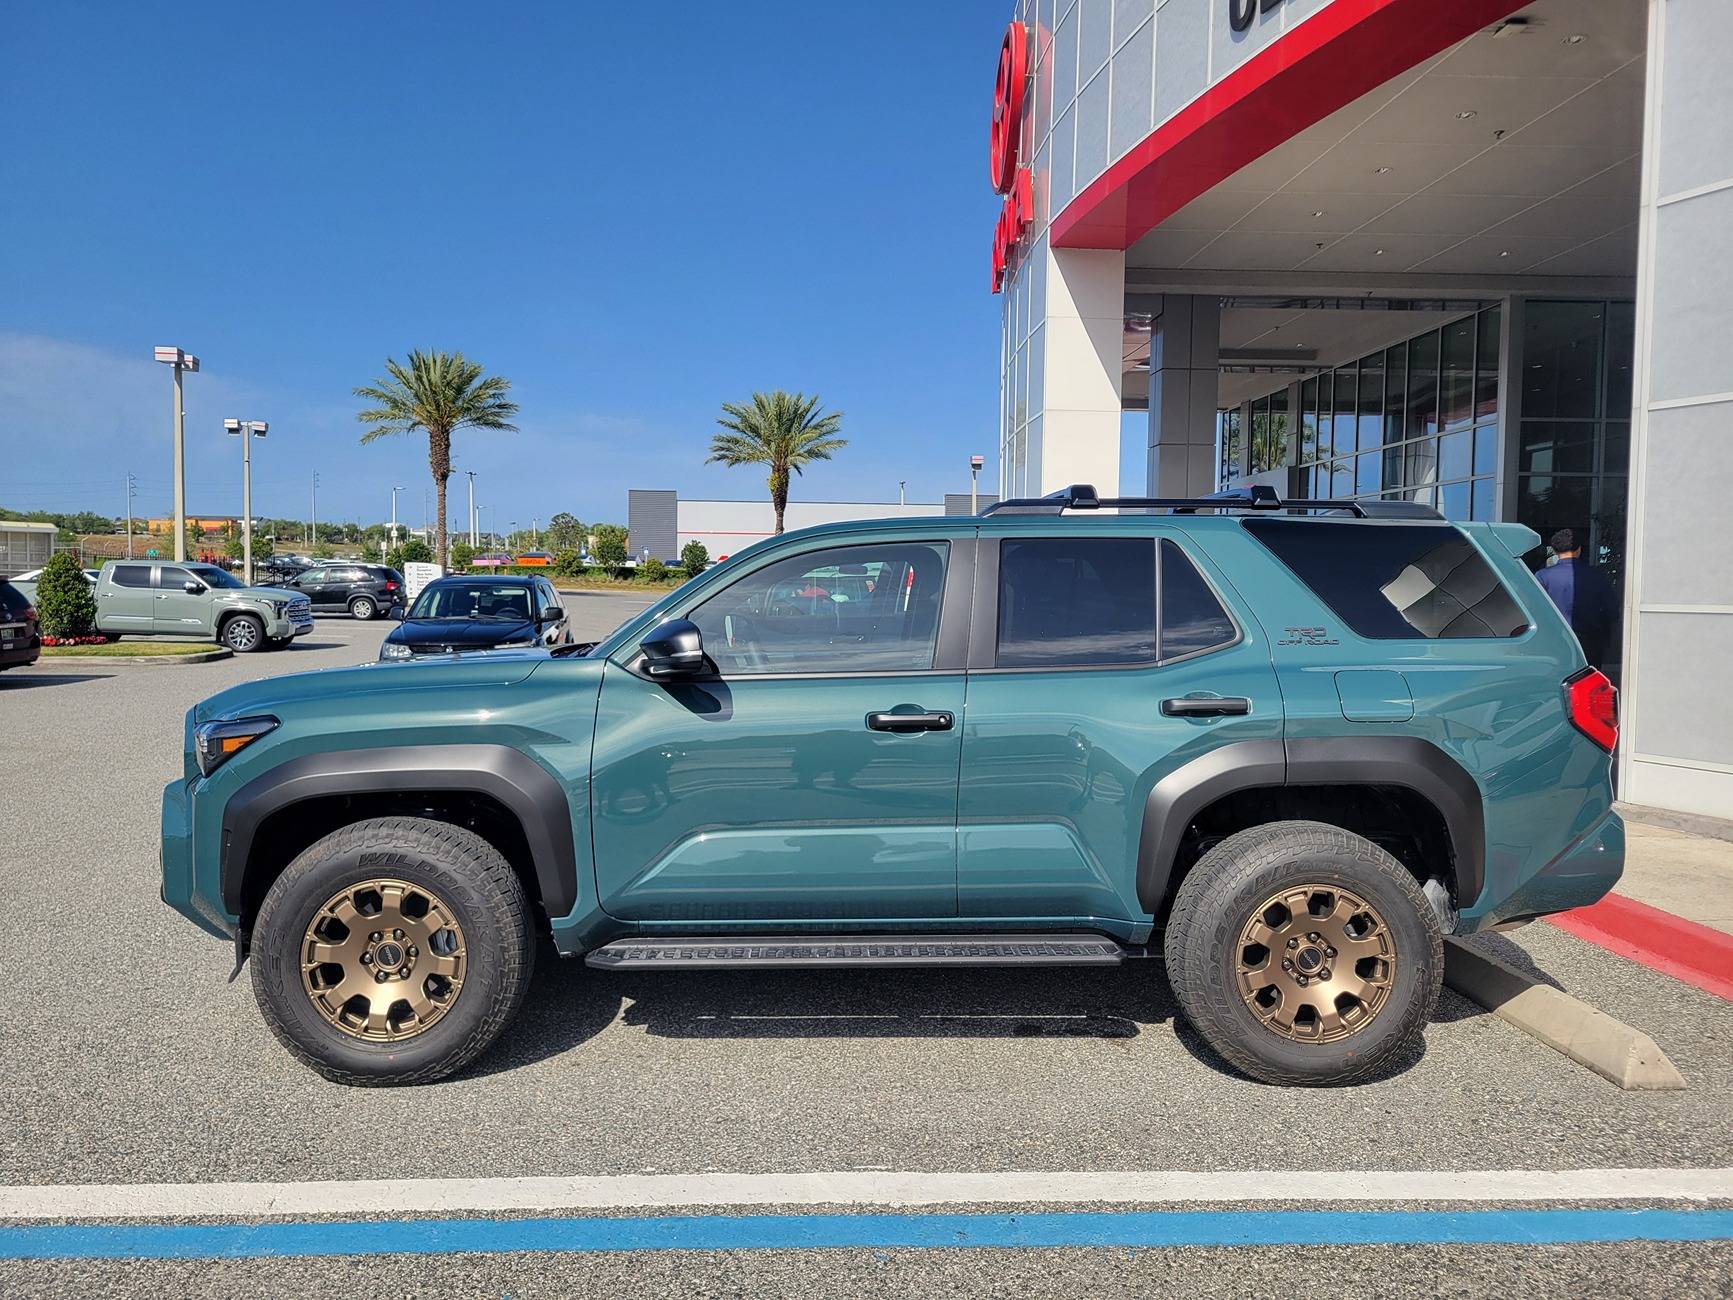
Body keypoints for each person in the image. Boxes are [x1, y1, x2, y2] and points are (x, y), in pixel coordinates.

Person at [1535, 528, 1615, 666]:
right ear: (1579, 549)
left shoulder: (1542, 576)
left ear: (1554, 551)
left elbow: (1535, 609)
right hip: (1590, 640)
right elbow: (1611, 609)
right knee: (1589, 681)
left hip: (1555, 641)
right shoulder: (1597, 576)